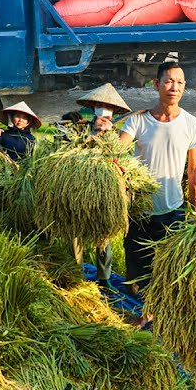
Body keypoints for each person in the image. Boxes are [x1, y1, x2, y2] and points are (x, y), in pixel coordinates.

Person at [118, 61, 196, 325]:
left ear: (184, 87)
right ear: (156, 85)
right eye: (168, 81)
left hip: (172, 207)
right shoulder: (137, 121)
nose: (174, 87)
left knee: (164, 265)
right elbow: (117, 152)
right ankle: (136, 298)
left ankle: (151, 314)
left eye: (179, 82)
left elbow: (194, 170)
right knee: (134, 260)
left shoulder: (191, 124)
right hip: (139, 208)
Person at [76, 83, 133, 285]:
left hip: (105, 189)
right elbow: (75, 150)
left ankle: (104, 276)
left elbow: (122, 156)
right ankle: (76, 271)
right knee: (77, 230)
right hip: (81, 186)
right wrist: (93, 134)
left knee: (104, 234)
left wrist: (108, 135)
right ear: (93, 107)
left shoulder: (118, 134)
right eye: (99, 105)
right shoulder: (81, 128)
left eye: (107, 106)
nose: (103, 109)